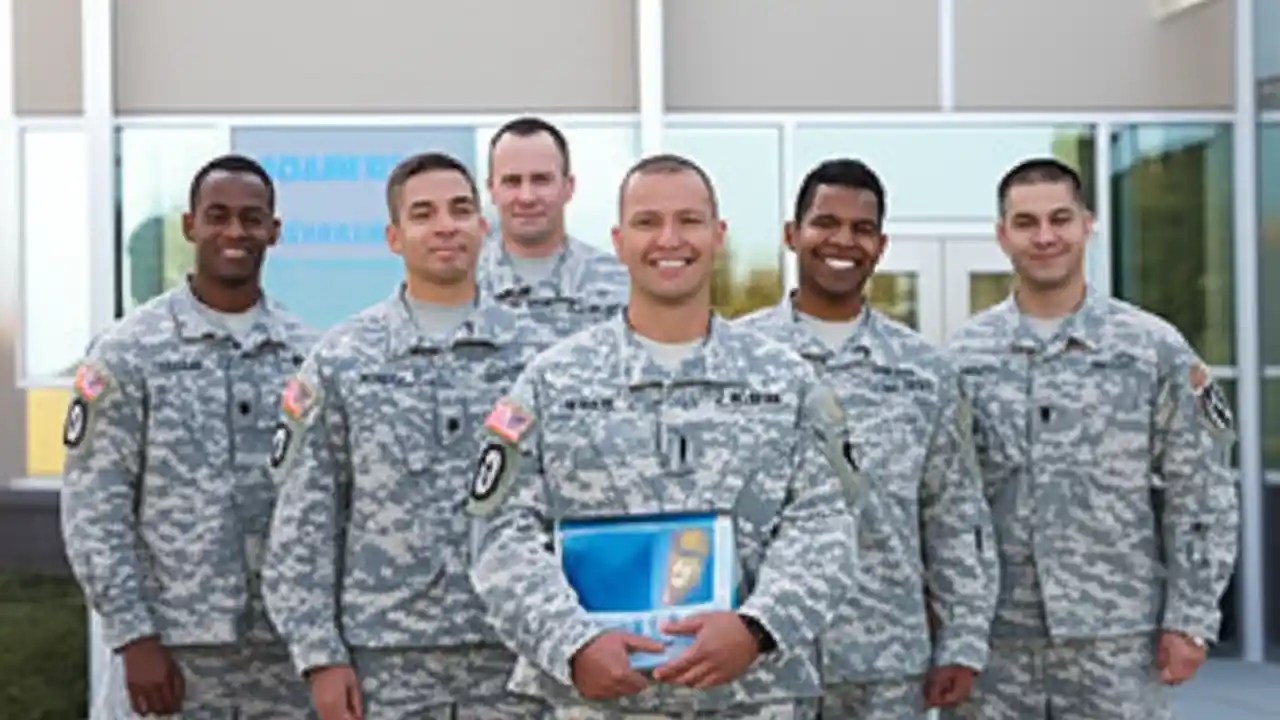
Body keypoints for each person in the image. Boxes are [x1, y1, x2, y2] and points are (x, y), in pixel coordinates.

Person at [467, 153, 862, 719]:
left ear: (718, 234)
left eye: (689, 220)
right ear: (619, 239)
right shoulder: (549, 383)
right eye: (648, 222)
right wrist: (572, 641)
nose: (669, 239)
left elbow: (826, 524)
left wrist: (757, 626)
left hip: (751, 697)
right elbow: (500, 534)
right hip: (598, 700)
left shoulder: (788, 383)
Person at [942, 158, 1239, 719]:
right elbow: (944, 504)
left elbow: (1200, 491)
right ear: (1003, 235)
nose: (1045, 236)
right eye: (1026, 223)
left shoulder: (1153, 349)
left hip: (1118, 642)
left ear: (1087, 225)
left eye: (1060, 218)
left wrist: (1191, 618)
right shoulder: (961, 358)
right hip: (997, 645)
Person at [261, 152, 547, 720]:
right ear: (394, 237)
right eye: (423, 214)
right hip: (385, 664)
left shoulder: (540, 359)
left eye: (460, 210)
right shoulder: (342, 361)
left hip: (516, 656)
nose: (445, 226)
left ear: (483, 228)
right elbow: (304, 520)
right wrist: (319, 655)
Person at [736, 158, 998, 719]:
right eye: (825, 223)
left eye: (862, 229)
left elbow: (954, 514)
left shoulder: (925, 372)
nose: (842, 241)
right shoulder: (738, 360)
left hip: (884, 665)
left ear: (880, 245)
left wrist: (963, 640)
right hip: (762, 664)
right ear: (792, 235)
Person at [60, 154, 318, 718]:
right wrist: (133, 637)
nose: (235, 232)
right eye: (218, 215)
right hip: (170, 654)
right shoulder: (129, 352)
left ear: (273, 231)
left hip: (281, 655)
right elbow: (94, 507)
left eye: (252, 219)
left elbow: (323, 503)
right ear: (190, 226)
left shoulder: (306, 355)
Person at [477, 115, 628, 340]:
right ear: (491, 190)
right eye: (512, 182)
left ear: (569, 187)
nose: (527, 197)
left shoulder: (620, 283)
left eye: (541, 180)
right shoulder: (461, 284)